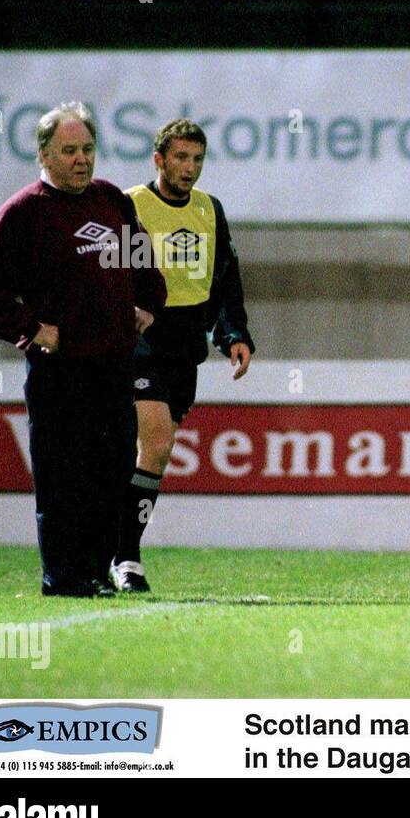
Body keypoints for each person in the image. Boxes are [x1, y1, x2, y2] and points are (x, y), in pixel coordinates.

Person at [0, 102, 166, 597]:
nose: (82, 159)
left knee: (113, 468)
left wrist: (148, 302)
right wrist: (30, 329)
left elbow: (142, 258)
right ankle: (63, 575)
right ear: (44, 154)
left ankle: (96, 570)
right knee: (62, 476)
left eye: (88, 149)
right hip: (61, 368)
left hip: (114, 362)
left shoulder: (111, 200)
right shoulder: (24, 212)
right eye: (70, 150)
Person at [111, 118, 255, 592]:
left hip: (185, 346)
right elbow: (108, 271)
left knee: (156, 455)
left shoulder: (209, 210)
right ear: (159, 159)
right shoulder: (131, 205)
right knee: (153, 443)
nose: (189, 168)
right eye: (180, 158)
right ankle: (126, 558)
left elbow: (224, 279)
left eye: (197, 159)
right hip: (141, 341)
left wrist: (233, 335)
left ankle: (118, 549)